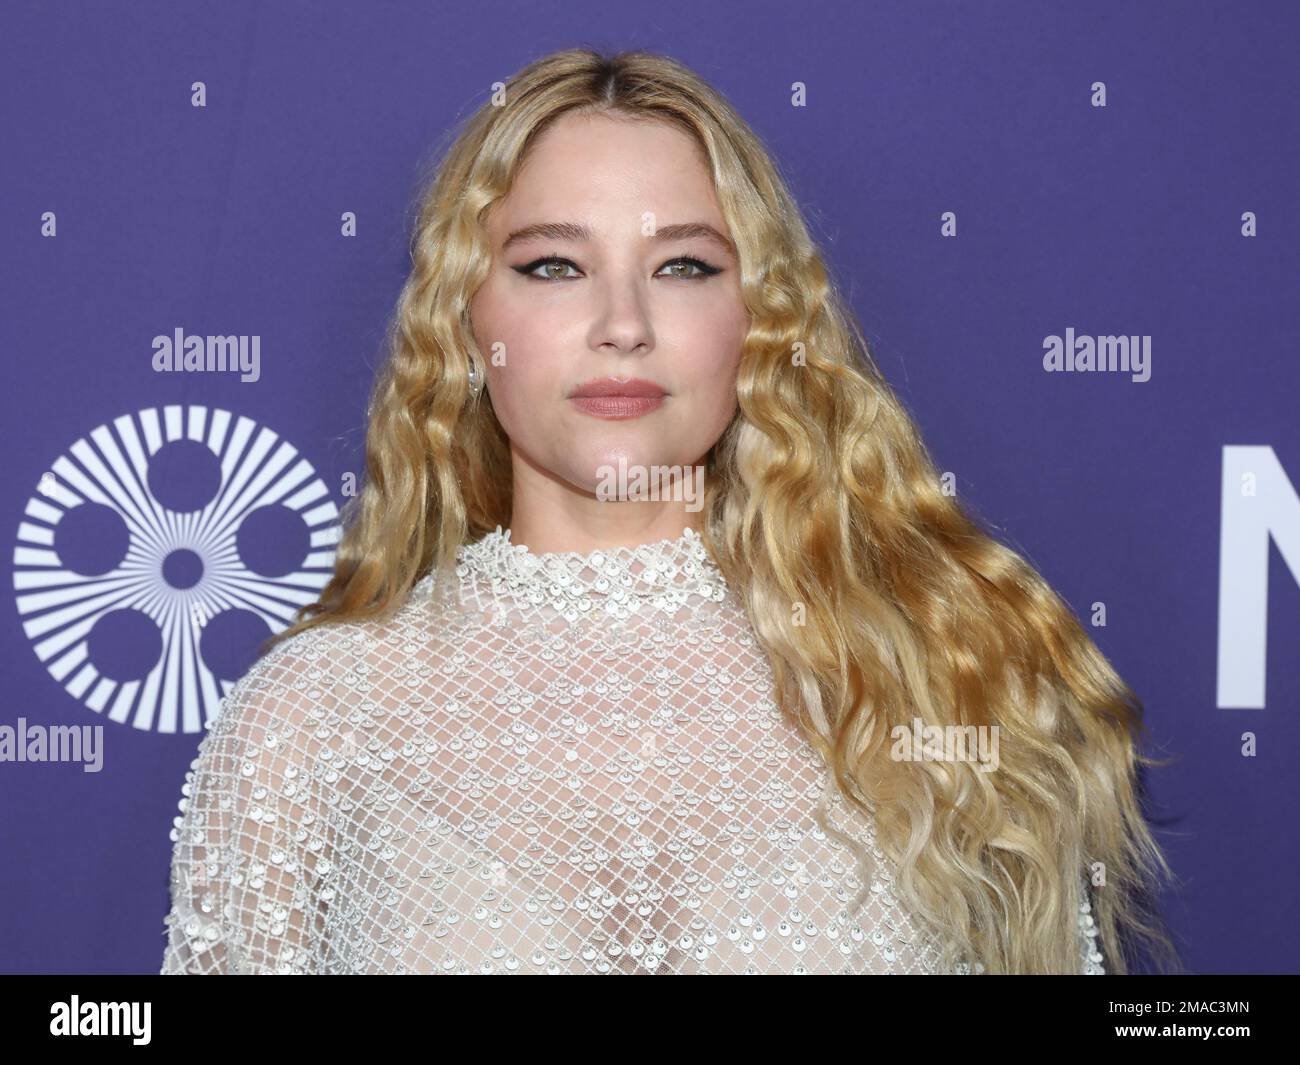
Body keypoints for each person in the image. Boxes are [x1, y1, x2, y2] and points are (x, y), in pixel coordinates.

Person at [160, 47, 1178, 975]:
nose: (622, 326)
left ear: (761, 321)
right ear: (466, 321)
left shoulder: (934, 676)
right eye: (553, 265)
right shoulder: (315, 720)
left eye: (683, 266)